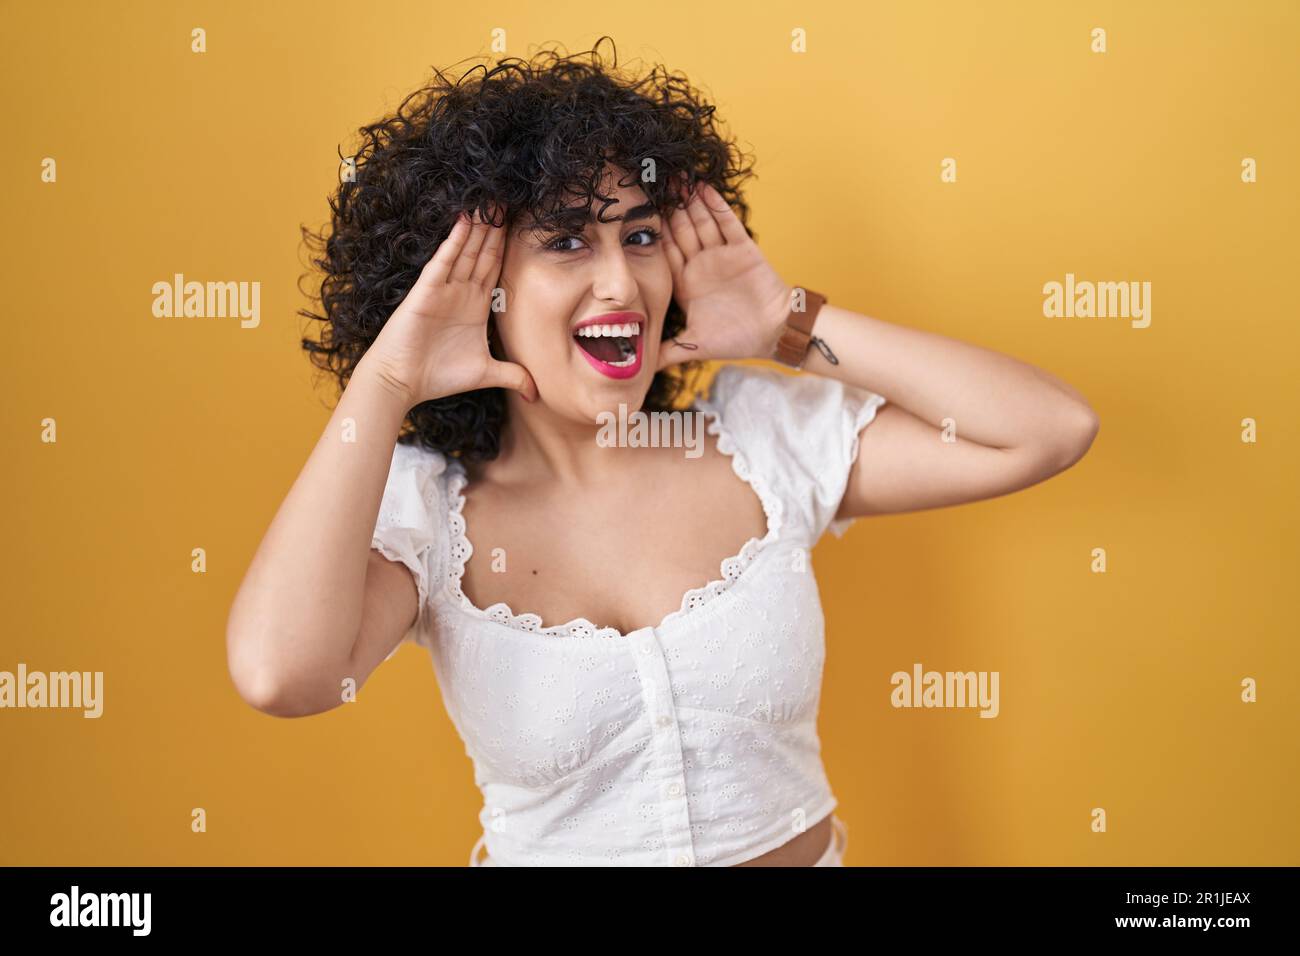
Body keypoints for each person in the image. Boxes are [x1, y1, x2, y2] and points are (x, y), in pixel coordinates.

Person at [226, 39, 1098, 867]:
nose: (623, 283)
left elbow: (1047, 429)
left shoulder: (758, 440)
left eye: (641, 237)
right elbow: (282, 674)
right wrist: (387, 382)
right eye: (567, 240)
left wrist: (787, 324)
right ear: (470, 285)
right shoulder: (428, 512)